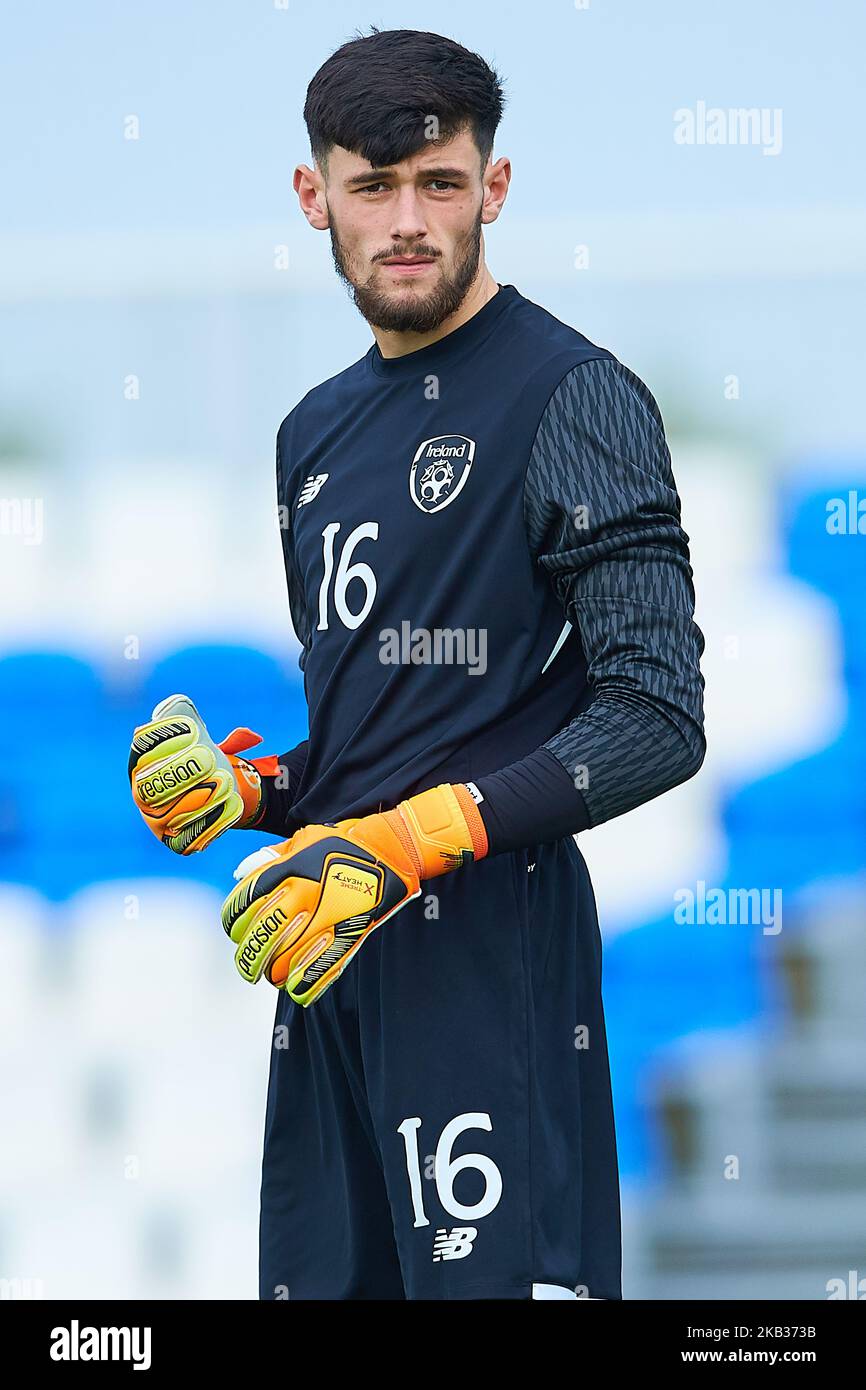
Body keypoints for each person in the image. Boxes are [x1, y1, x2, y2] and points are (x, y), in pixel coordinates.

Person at [130, 27, 705, 1301]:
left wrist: (409, 842)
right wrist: (261, 795)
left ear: (491, 191)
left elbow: (656, 713)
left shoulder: (576, 395)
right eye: (371, 185)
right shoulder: (312, 434)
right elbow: (376, 736)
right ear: (312, 195)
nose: (405, 219)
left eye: (438, 184)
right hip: (327, 959)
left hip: (487, 962)